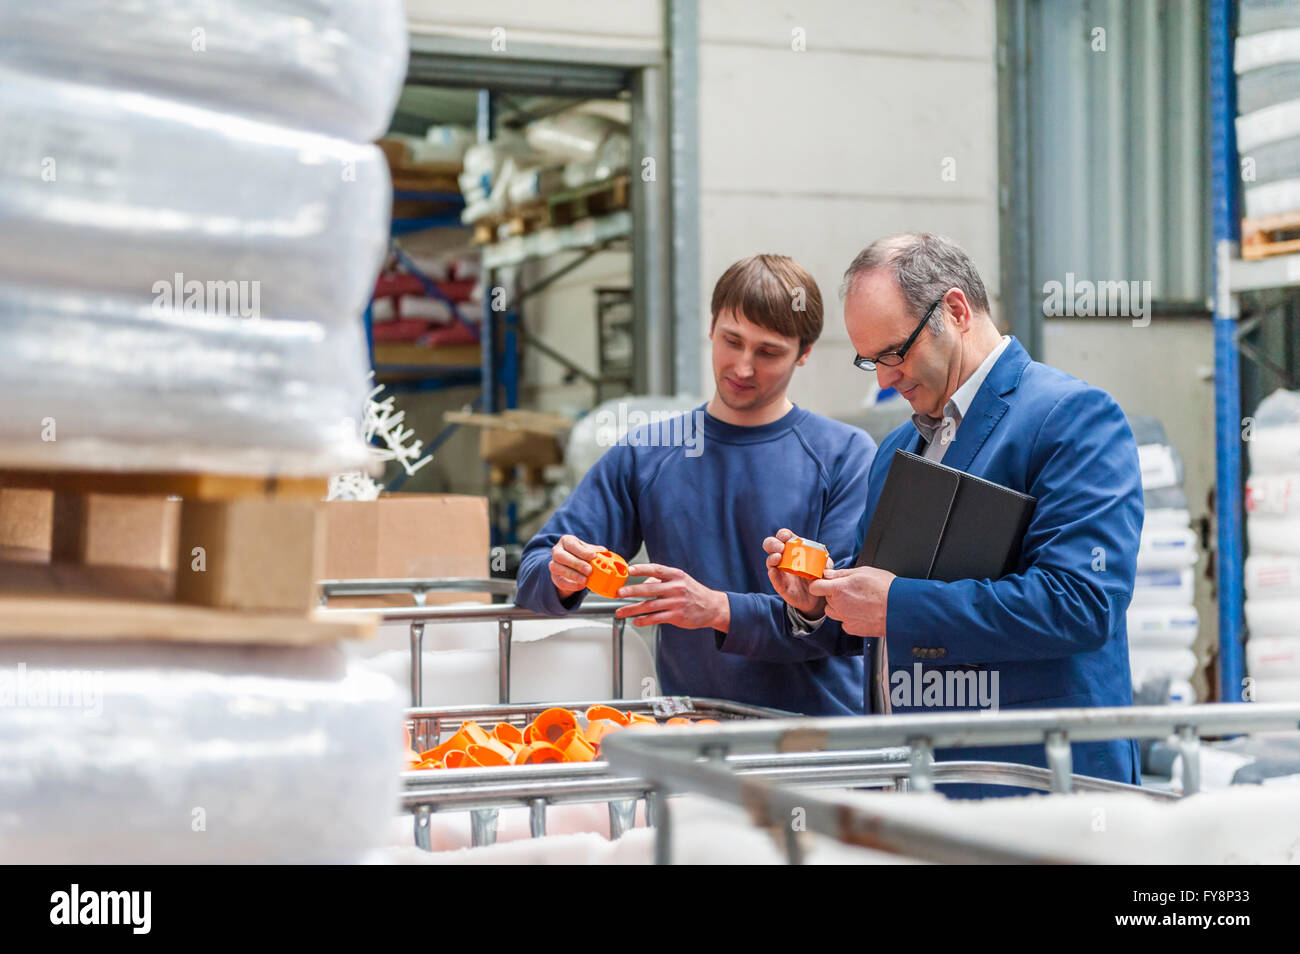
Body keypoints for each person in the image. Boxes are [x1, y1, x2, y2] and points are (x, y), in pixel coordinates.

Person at [765, 233, 1143, 793]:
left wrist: (896, 604)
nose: (885, 380)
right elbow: (886, 615)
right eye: (870, 361)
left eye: (894, 353)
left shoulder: (1071, 418)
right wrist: (821, 602)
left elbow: (1081, 604)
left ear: (956, 310)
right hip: (918, 787)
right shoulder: (898, 447)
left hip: (1034, 788)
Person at [515, 254, 876, 715]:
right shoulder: (648, 454)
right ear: (711, 328)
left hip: (819, 745)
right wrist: (562, 576)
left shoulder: (845, 455)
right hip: (695, 740)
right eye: (732, 341)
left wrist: (718, 608)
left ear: (804, 353)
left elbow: (848, 624)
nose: (743, 367)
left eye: (768, 352)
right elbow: (532, 574)